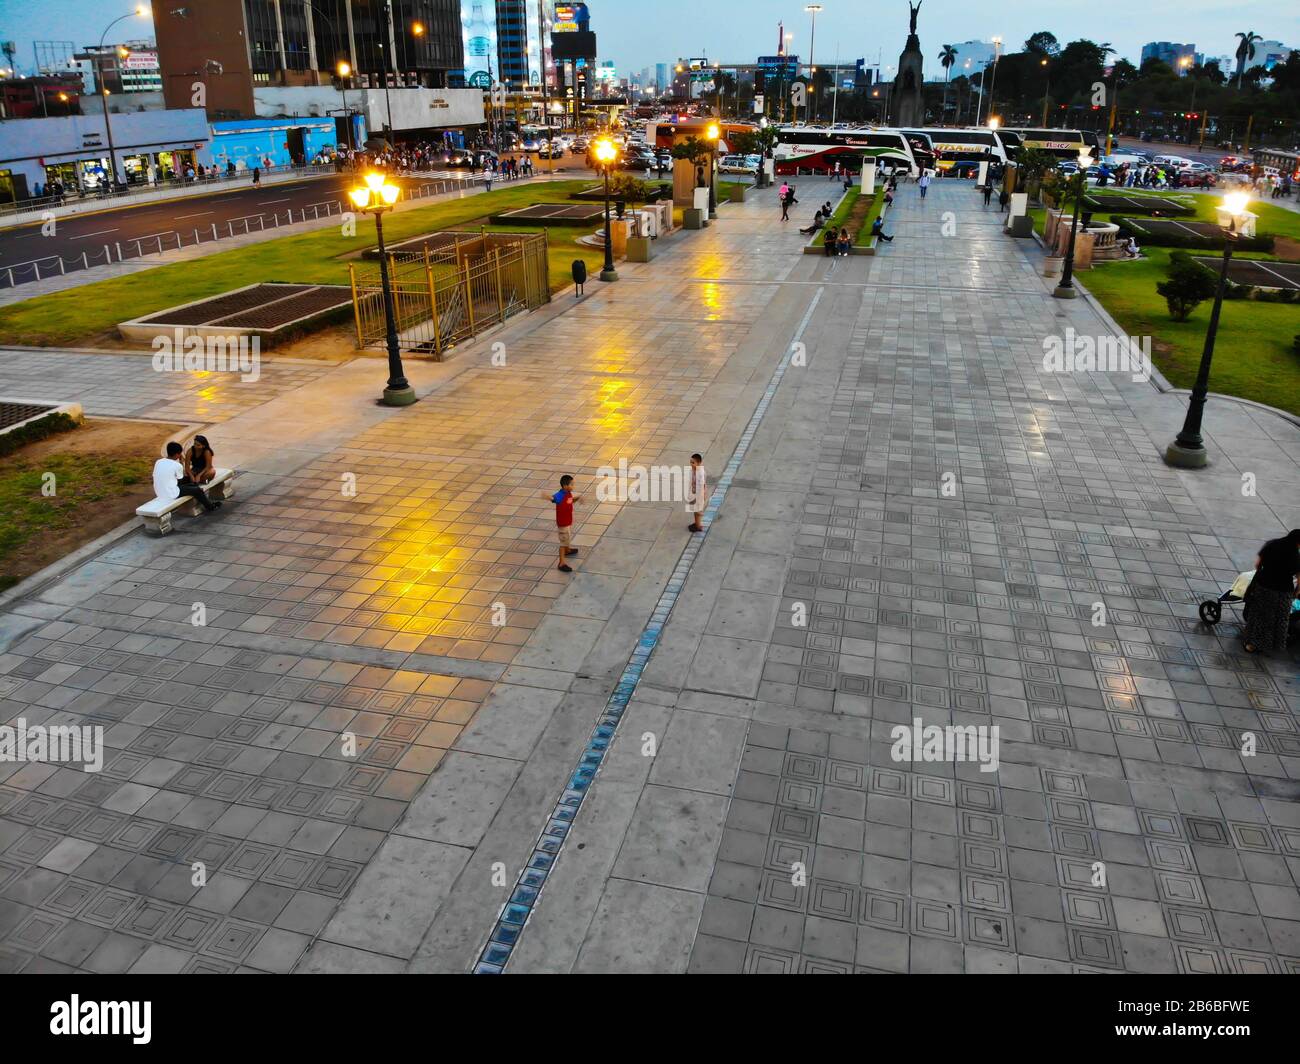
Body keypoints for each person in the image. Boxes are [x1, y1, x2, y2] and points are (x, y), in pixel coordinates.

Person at [1242, 530, 1300, 654]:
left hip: (1264, 586)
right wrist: (1297, 590)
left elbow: (1258, 565)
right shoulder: (1296, 555)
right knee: (1280, 618)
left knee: (1260, 616)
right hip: (1284, 591)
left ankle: (1252, 644)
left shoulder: (1272, 544)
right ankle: (1272, 645)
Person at [154, 441, 218, 513]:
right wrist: (181, 463)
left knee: (191, 484)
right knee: (197, 490)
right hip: (171, 493)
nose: (180, 456)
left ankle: (195, 488)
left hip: (159, 491)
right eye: (180, 454)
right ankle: (210, 507)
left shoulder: (158, 461)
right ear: (177, 454)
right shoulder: (177, 465)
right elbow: (181, 481)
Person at [548, 475, 582, 572]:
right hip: (563, 524)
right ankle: (561, 563)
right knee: (563, 543)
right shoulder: (560, 495)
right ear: (565, 486)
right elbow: (553, 499)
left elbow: (570, 501)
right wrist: (546, 496)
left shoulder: (568, 493)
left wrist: (577, 498)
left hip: (567, 522)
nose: (573, 486)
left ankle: (568, 550)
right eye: (571, 484)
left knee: (567, 538)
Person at [687, 454, 708, 533]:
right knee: (695, 510)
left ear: (699, 463)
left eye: (693, 463)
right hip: (694, 494)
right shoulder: (694, 470)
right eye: (690, 462)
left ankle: (698, 527)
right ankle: (696, 523)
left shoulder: (700, 473)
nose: (691, 464)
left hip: (698, 495)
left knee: (698, 511)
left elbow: (703, 487)